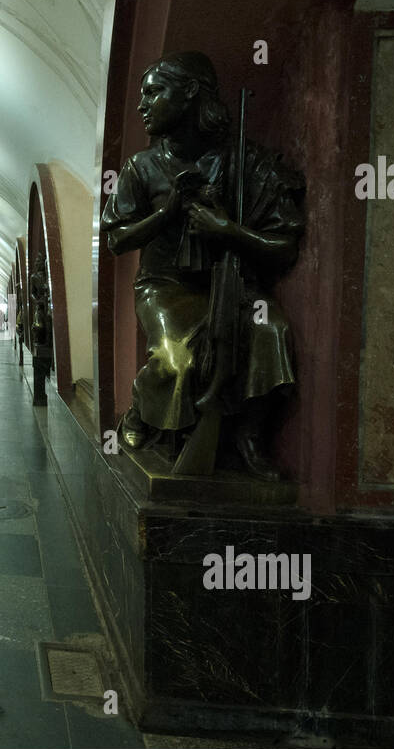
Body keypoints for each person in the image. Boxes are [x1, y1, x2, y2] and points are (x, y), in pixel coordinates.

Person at [101, 51, 305, 479]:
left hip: (227, 282)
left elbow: (284, 244)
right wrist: (166, 214)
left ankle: (248, 436)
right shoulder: (142, 167)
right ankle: (143, 406)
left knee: (272, 331)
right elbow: (116, 238)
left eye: (154, 93)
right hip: (163, 285)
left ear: (189, 93)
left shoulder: (245, 162)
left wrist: (229, 231)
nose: (142, 105)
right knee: (176, 359)